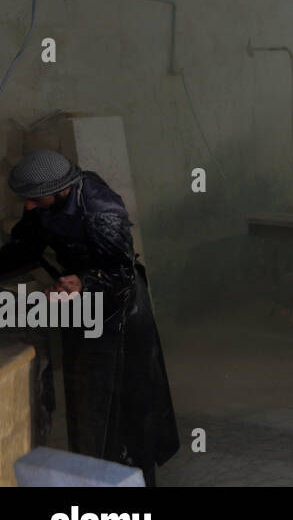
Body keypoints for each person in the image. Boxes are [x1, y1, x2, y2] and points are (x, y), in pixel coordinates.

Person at [0, 150, 179, 485]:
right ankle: (94, 477)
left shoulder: (100, 211)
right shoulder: (48, 203)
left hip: (122, 311)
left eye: (34, 200)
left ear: (61, 190)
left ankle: (133, 485)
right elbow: (27, 249)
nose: (28, 207)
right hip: (84, 307)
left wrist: (86, 281)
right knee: (87, 405)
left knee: (127, 406)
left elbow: (122, 273)